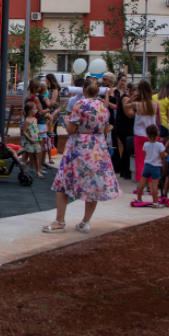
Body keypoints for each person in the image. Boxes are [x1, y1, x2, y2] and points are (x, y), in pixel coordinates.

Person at [43, 78, 121, 233]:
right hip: (97, 148)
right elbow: (106, 129)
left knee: (63, 181)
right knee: (93, 184)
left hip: (79, 147)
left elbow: (71, 130)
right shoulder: (103, 106)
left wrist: (66, 121)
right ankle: (85, 222)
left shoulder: (81, 104)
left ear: (83, 88)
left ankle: (59, 221)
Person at [135, 125, 166, 206]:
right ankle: (155, 202)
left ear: (147, 135)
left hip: (147, 165)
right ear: (157, 134)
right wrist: (166, 154)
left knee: (142, 183)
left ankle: (139, 199)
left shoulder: (145, 144)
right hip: (156, 167)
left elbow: (146, 154)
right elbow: (163, 155)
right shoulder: (160, 145)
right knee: (154, 186)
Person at [20, 102, 43, 176]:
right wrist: (30, 139)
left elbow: (35, 130)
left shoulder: (35, 119)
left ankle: (37, 171)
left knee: (36, 155)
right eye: (34, 109)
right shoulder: (27, 120)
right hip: (29, 141)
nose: (36, 110)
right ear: (30, 111)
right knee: (26, 156)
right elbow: (24, 131)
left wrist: (43, 131)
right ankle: (23, 171)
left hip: (35, 141)